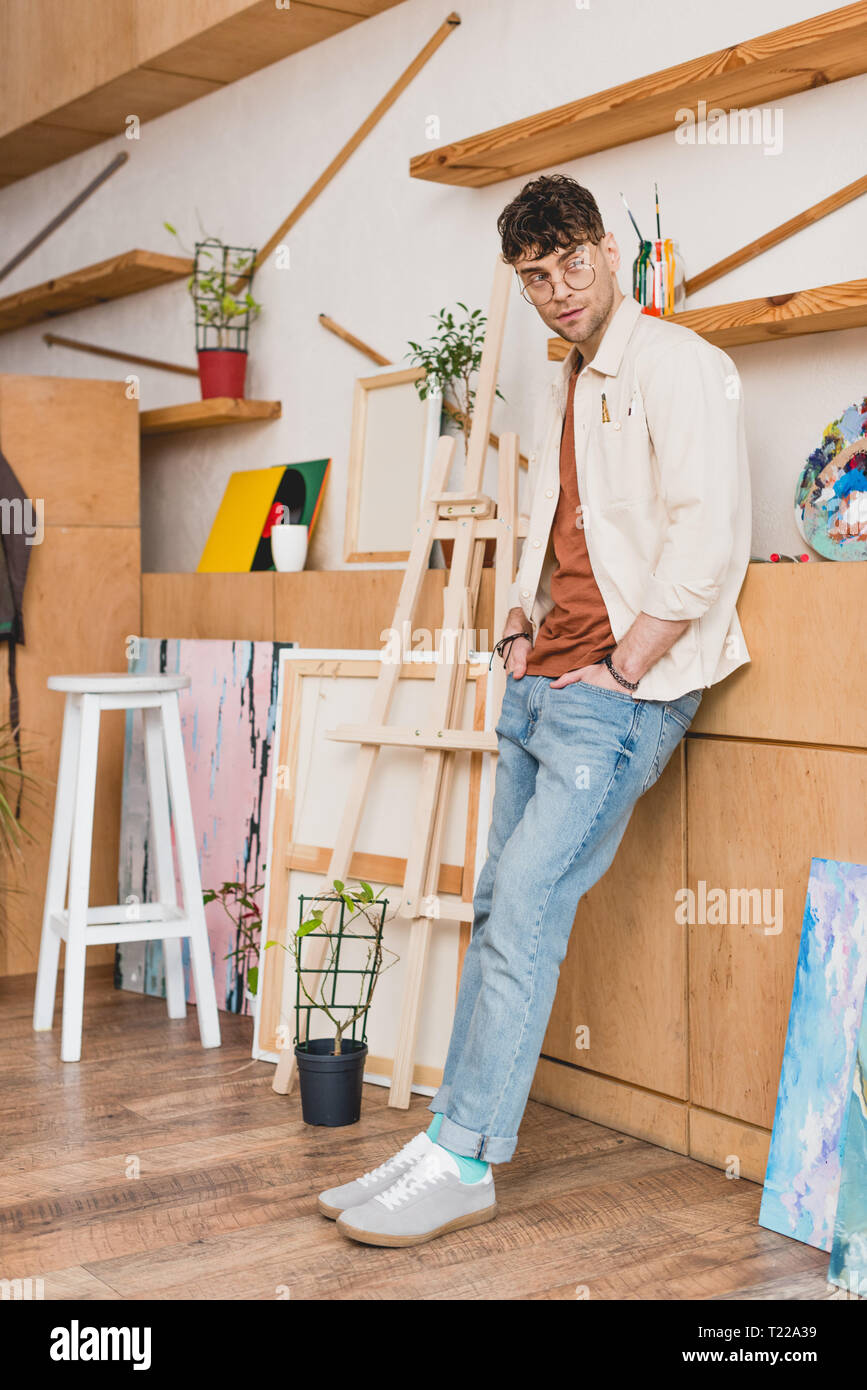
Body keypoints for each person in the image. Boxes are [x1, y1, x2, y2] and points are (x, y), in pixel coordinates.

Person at [319, 173, 752, 1247]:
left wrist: (625, 664)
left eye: (570, 264)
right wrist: (516, 628)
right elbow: (559, 518)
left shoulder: (680, 366)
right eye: (534, 276)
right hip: (541, 683)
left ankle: (464, 1158)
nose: (557, 290)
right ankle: (442, 1141)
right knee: (497, 908)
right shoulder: (573, 377)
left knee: (522, 913)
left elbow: (708, 539)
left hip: (615, 702)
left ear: (609, 251)